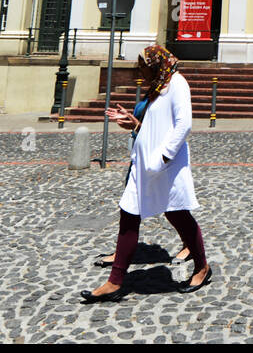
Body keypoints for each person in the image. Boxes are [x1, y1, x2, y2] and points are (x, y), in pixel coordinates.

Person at [80, 45, 209, 302]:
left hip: (165, 165)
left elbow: (184, 123)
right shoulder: (158, 88)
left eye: (146, 68)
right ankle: (115, 281)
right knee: (128, 214)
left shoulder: (177, 83)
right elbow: (155, 126)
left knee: (178, 214)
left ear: (158, 65)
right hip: (144, 164)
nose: (143, 73)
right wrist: (135, 123)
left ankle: (202, 268)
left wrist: (163, 156)